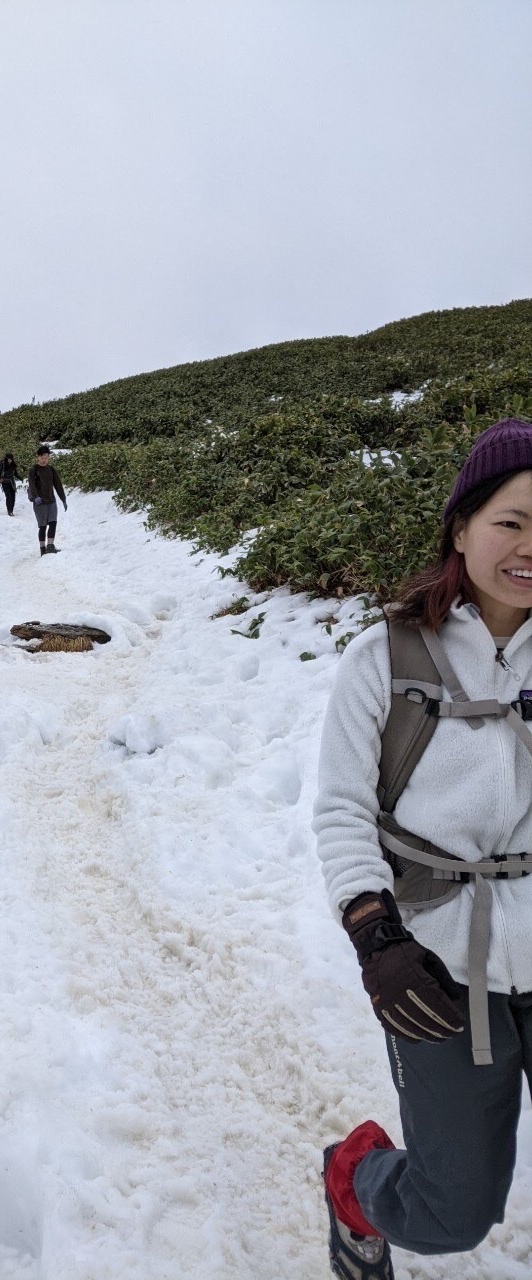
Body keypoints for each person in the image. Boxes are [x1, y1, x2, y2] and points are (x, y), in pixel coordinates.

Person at [315, 417, 532, 1278]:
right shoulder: (386, 656)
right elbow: (340, 809)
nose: (528, 547)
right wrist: (378, 938)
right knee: (450, 1213)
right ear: (462, 527)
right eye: (511, 521)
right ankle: (351, 1179)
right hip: (439, 965)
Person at [27, 444, 67, 555]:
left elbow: (58, 485)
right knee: (43, 526)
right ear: (38, 457)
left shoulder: (51, 469)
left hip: (51, 501)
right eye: (42, 458)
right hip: (40, 503)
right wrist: (35, 497)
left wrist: (63, 499)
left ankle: (50, 545)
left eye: (46, 457)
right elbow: (32, 485)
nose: (44, 460)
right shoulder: (34, 470)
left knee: (53, 523)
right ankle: (42, 549)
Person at [0, 452, 23, 516]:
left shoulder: (13, 465)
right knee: (8, 497)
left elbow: (15, 474)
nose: (10, 460)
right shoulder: (2, 464)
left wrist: (21, 478)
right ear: (6, 459)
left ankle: (11, 510)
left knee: (13, 497)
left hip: (12, 482)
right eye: (8, 459)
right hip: (4, 482)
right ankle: (9, 511)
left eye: (11, 459)